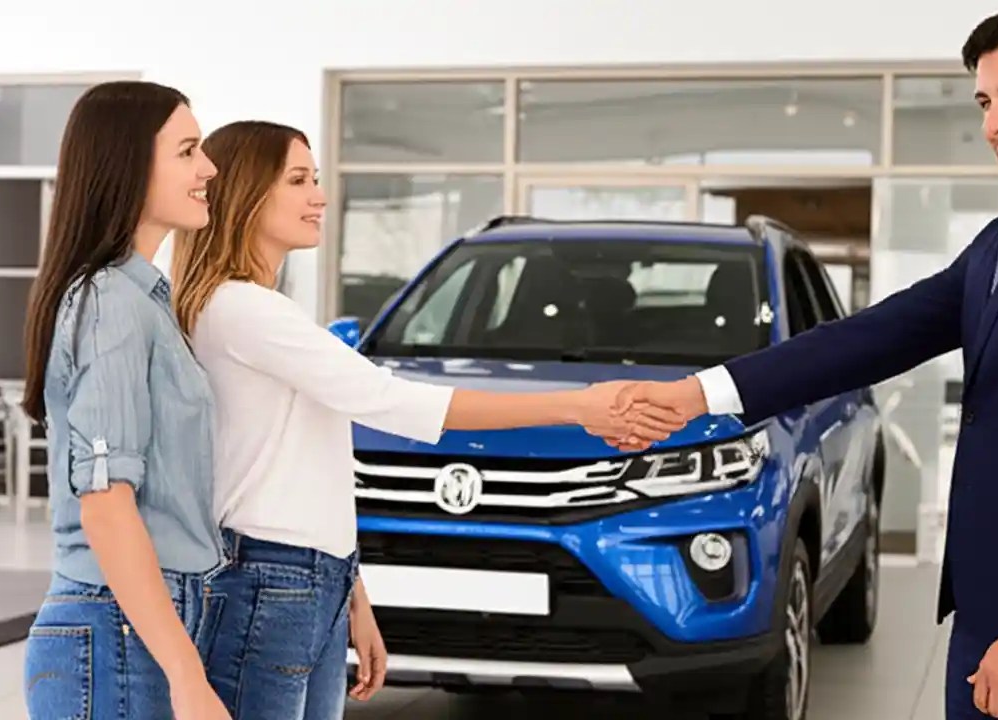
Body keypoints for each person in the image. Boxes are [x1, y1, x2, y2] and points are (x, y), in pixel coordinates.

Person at [619, 5, 998, 719]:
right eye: (986, 101)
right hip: (990, 620)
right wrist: (697, 394)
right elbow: (869, 337)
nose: (994, 122)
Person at [168, 120, 682, 720]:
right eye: (299, 180)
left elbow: (308, 474)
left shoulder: (262, 310)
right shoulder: (243, 310)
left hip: (306, 580)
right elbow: (394, 401)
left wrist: (351, 595)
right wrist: (578, 406)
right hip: (270, 582)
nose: (321, 196)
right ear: (248, 195)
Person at [19, 81, 231, 719]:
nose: (209, 168)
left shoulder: (143, 301)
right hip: (118, 628)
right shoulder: (111, 303)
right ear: (129, 166)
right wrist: (186, 675)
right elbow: (107, 509)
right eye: (189, 151)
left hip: (140, 621)